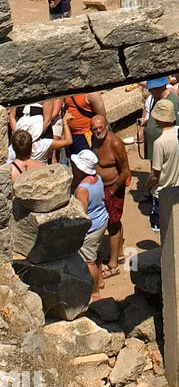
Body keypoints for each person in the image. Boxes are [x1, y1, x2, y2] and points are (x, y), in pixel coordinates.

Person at [89, 113, 130, 277]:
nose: (98, 131)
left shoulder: (115, 143)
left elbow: (126, 170)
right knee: (114, 221)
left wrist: (113, 191)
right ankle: (118, 253)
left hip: (113, 187)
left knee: (112, 223)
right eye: (95, 129)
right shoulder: (94, 141)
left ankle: (113, 265)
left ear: (106, 126)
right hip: (101, 187)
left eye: (101, 127)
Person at [144, 98, 179, 235]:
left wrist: (147, 186)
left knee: (163, 233)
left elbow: (155, 174)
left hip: (161, 193)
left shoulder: (159, 143)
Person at [72, 149, 109, 297]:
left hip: (91, 227)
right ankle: (100, 280)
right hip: (102, 221)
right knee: (96, 253)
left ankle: (95, 292)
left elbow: (82, 215)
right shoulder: (97, 178)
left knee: (89, 261)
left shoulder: (82, 189)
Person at [140, 77, 179, 164]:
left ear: (161, 87)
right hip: (154, 148)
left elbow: (178, 126)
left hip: (164, 150)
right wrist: (147, 122)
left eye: (152, 88)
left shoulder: (172, 101)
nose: (150, 90)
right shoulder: (153, 98)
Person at [63, 90, 107, 155]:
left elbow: (101, 116)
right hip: (73, 135)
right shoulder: (66, 93)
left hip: (88, 135)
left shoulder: (91, 94)